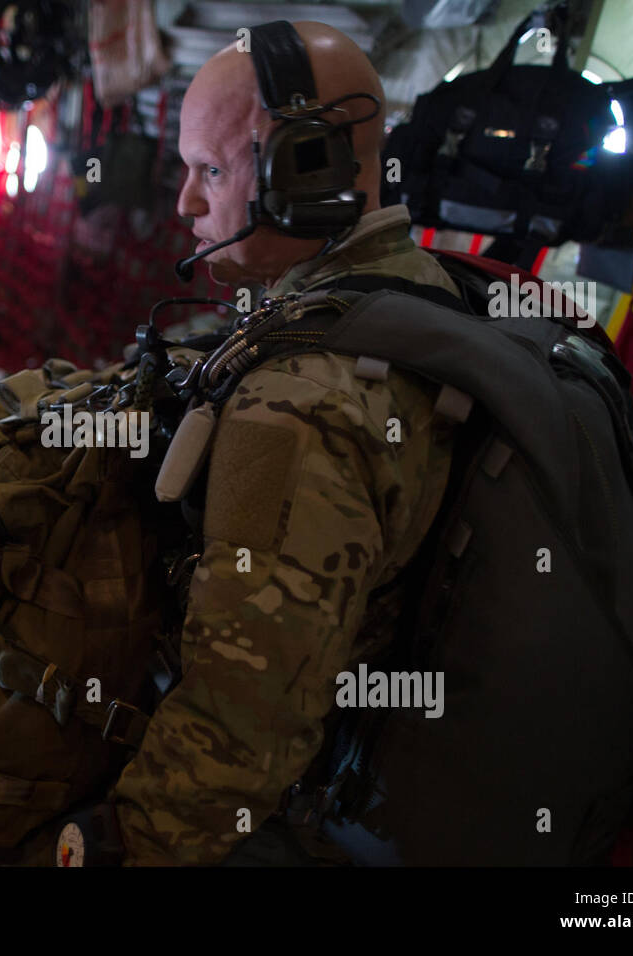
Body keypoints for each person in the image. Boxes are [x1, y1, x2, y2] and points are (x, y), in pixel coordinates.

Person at [107, 21, 462, 865]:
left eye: (211, 172)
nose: (186, 205)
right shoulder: (423, 289)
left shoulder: (296, 411)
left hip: (313, 811)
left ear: (309, 176)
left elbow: (239, 726)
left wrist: (126, 848)